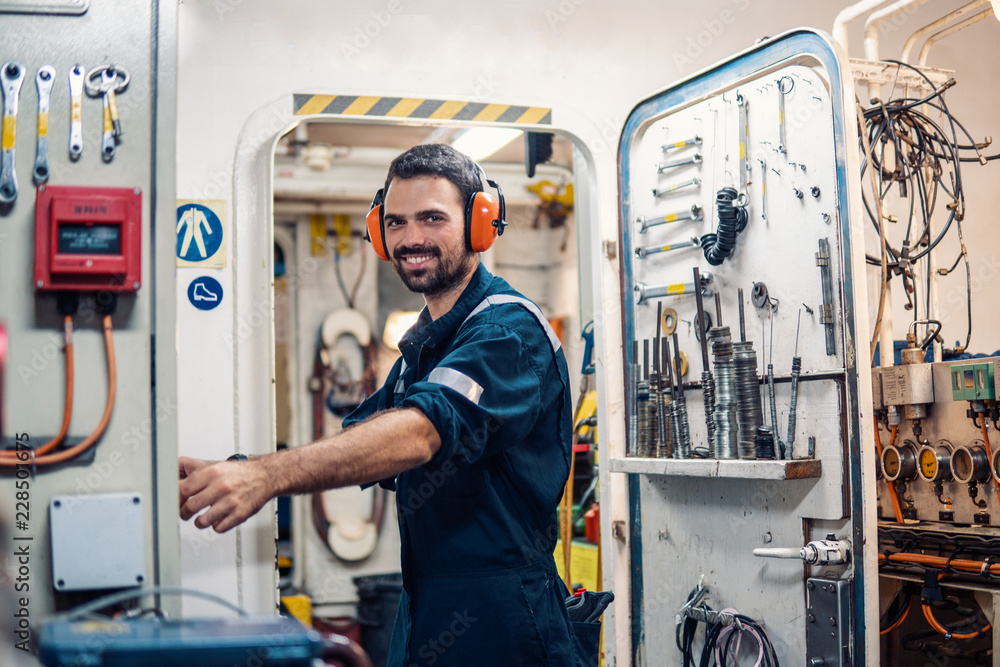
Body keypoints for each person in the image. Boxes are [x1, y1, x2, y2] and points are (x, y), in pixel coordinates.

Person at [179, 144, 578, 666]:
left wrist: (267, 479)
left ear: (479, 224)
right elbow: (365, 433)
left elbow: (418, 433)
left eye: (432, 218)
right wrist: (241, 470)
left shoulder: (506, 331)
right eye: (396, 222)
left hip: (504, 619)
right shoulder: (426, 346)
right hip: (424, 608)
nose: (411, 238)